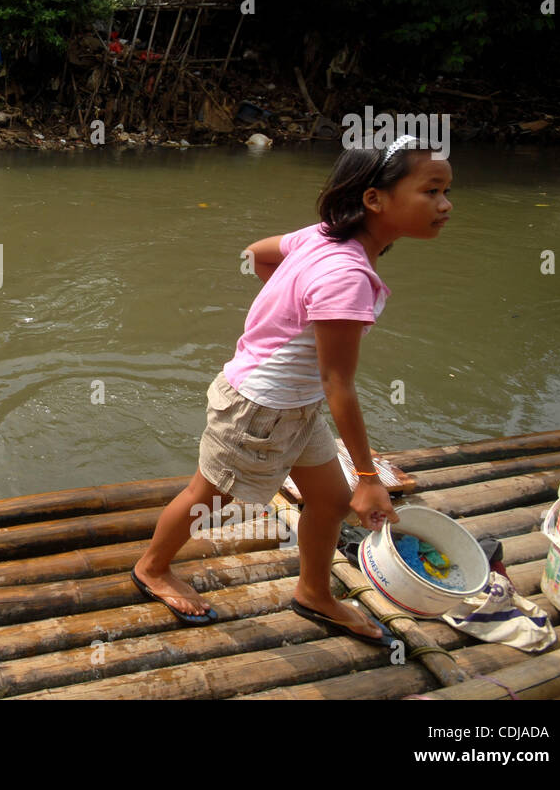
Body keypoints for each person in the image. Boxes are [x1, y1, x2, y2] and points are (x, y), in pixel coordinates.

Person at [130, 136, 453, 644]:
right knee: (205, 497)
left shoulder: (325, 236)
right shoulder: (345, 273)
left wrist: (288, 305)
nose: (445, 205)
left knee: (329, 500)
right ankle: (151, 568)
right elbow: (338, 383)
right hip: (261, 410)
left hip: (292, 405)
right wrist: (369, 476)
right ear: (375, 199)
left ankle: (314, 593)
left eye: (446, 191)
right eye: (432, 191)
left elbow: (257, 255)